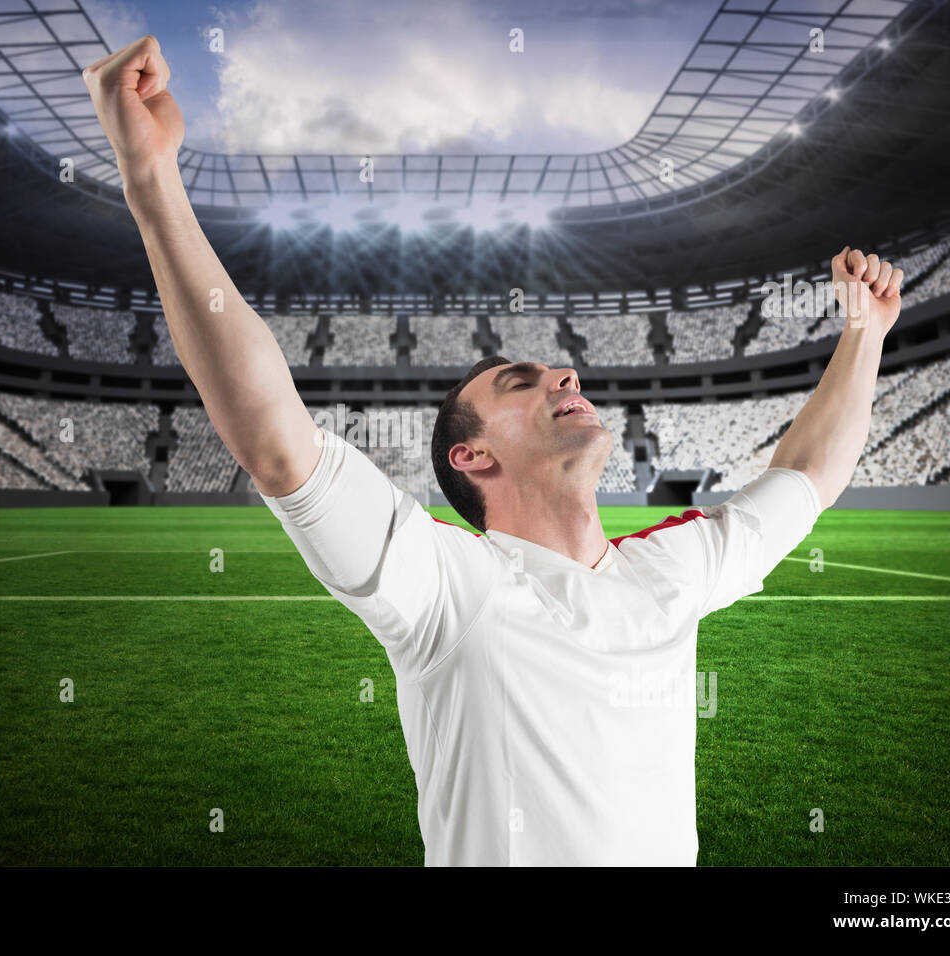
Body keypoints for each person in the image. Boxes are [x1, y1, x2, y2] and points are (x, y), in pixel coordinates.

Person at [82, 36, 904, 866]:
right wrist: (151, 183)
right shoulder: (449, 589)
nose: (564, 374)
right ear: (471, 459)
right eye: (522, 381)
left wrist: (865, 334)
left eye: (558, 370)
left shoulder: (671, 571)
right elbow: (277, 444)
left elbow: (807, 475)